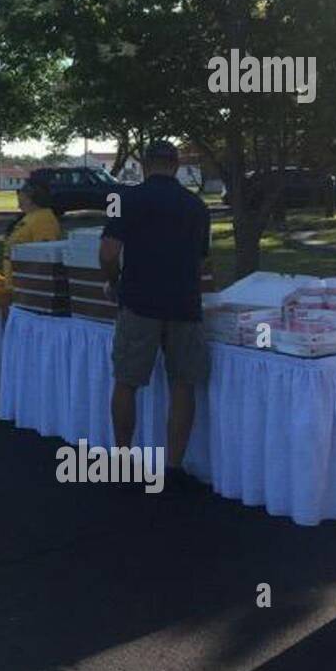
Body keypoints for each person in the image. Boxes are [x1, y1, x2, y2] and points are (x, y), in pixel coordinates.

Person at [99, 140, 211, 472]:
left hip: (138, 300)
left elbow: (107, 252)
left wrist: (114, 282)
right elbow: (203, 261)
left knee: (127, 380)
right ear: (176, 166)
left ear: (145, 165)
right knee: (182, 383)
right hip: (185, 303)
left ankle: (122, 457)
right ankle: (173, 466)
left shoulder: (125, 200)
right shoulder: (196, 206)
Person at [2, 179, 61, 278]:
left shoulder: (43, 219)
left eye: (21, 201)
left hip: (27, 279)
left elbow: (44, 254)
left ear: (30, 200)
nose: (19, 206)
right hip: (17, 278)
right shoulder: (31, 216)